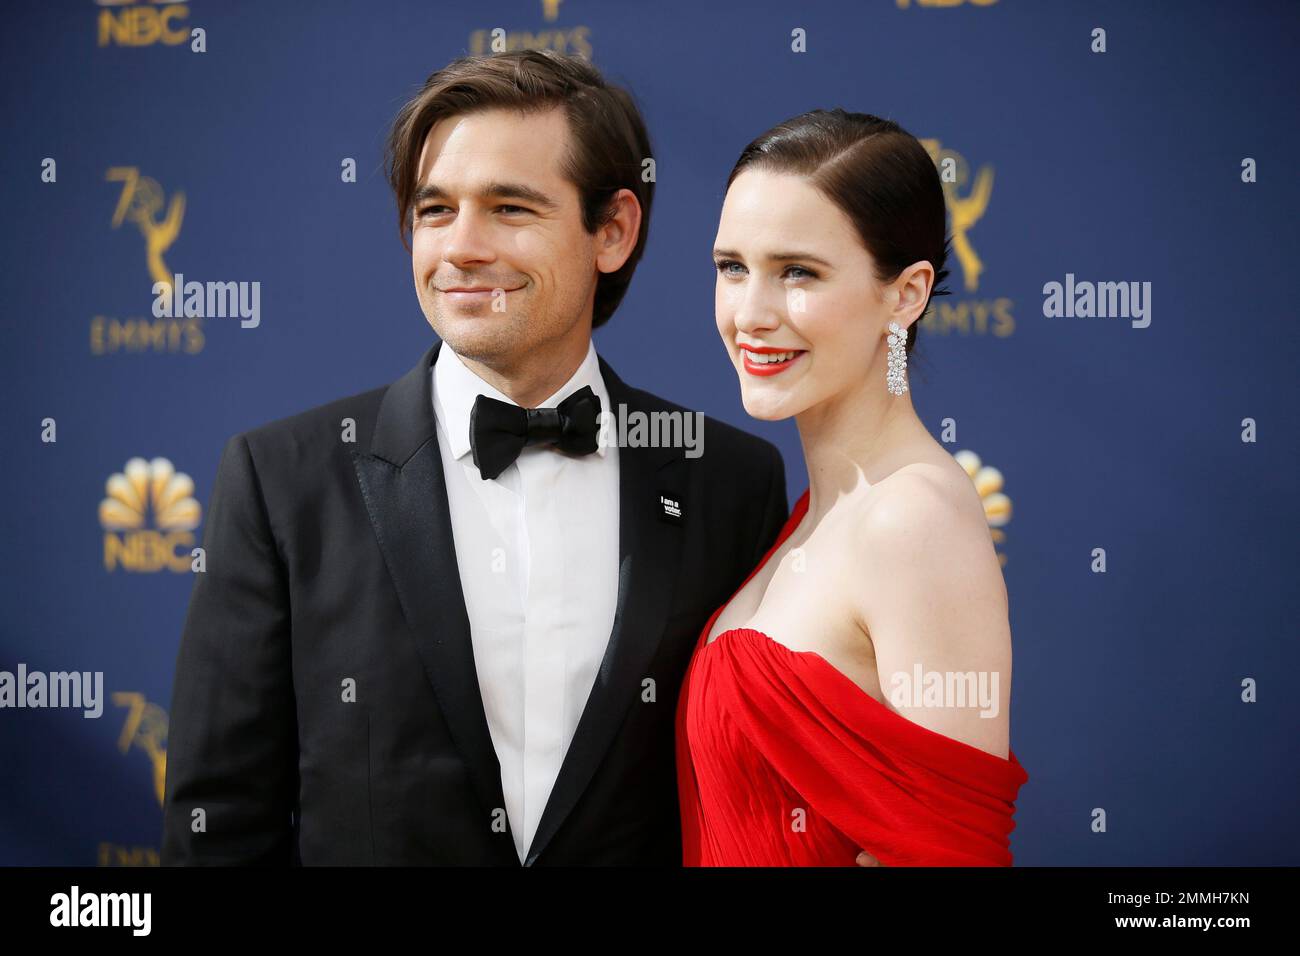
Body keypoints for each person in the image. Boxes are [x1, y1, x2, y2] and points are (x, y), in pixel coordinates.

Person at [160, 51, 795, 866]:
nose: (460, 247)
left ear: (612, 231)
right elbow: (219, 830)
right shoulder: (282, 482)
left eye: (508, 208)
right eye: (434, 210)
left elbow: (756, 809)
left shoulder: (730, 482)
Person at [675, 109, 1030, 866]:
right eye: (732, 267)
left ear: (905, 295)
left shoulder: (911, 520)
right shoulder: (816, 512)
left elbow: (946, 855)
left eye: (798, 272)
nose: (751, 314)